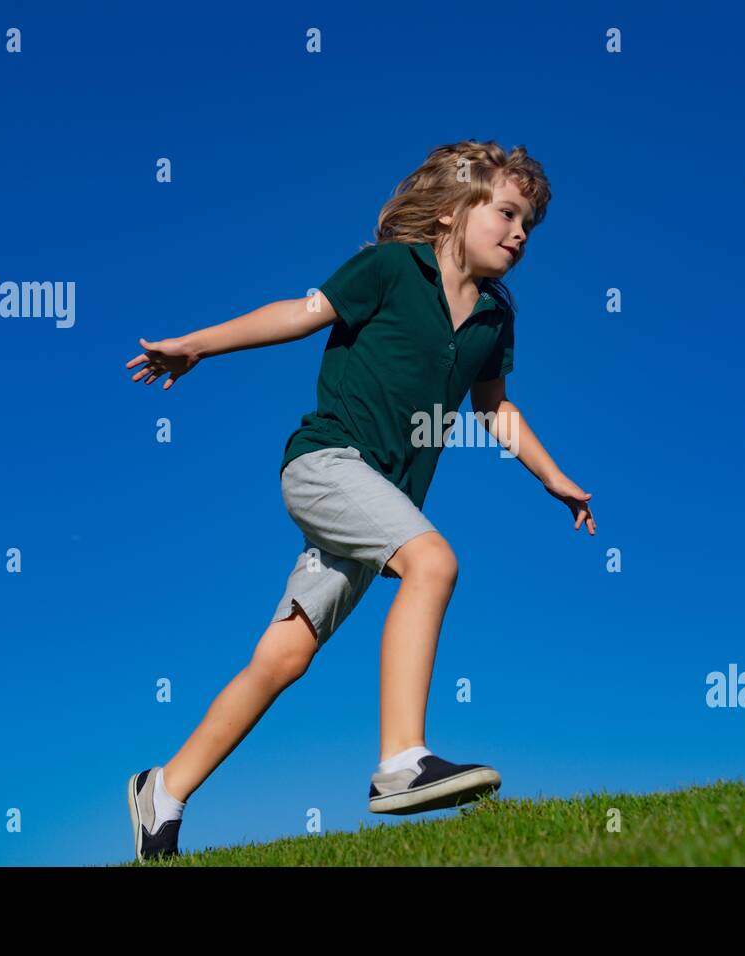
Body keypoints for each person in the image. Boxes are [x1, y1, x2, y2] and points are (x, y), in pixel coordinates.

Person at [123, 140, 596, 861]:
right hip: (325, 465)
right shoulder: (389, 270)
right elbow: (299, 312)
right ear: (449, 214)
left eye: (529, 222)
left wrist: (551, 475)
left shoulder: (496, 318)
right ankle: (401, 760)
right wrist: (198, 345)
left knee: (282, 658)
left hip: (377, 506)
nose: (520, 231)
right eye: (505, 212)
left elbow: (494, 408)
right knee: (432, 562)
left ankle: (164, 790)